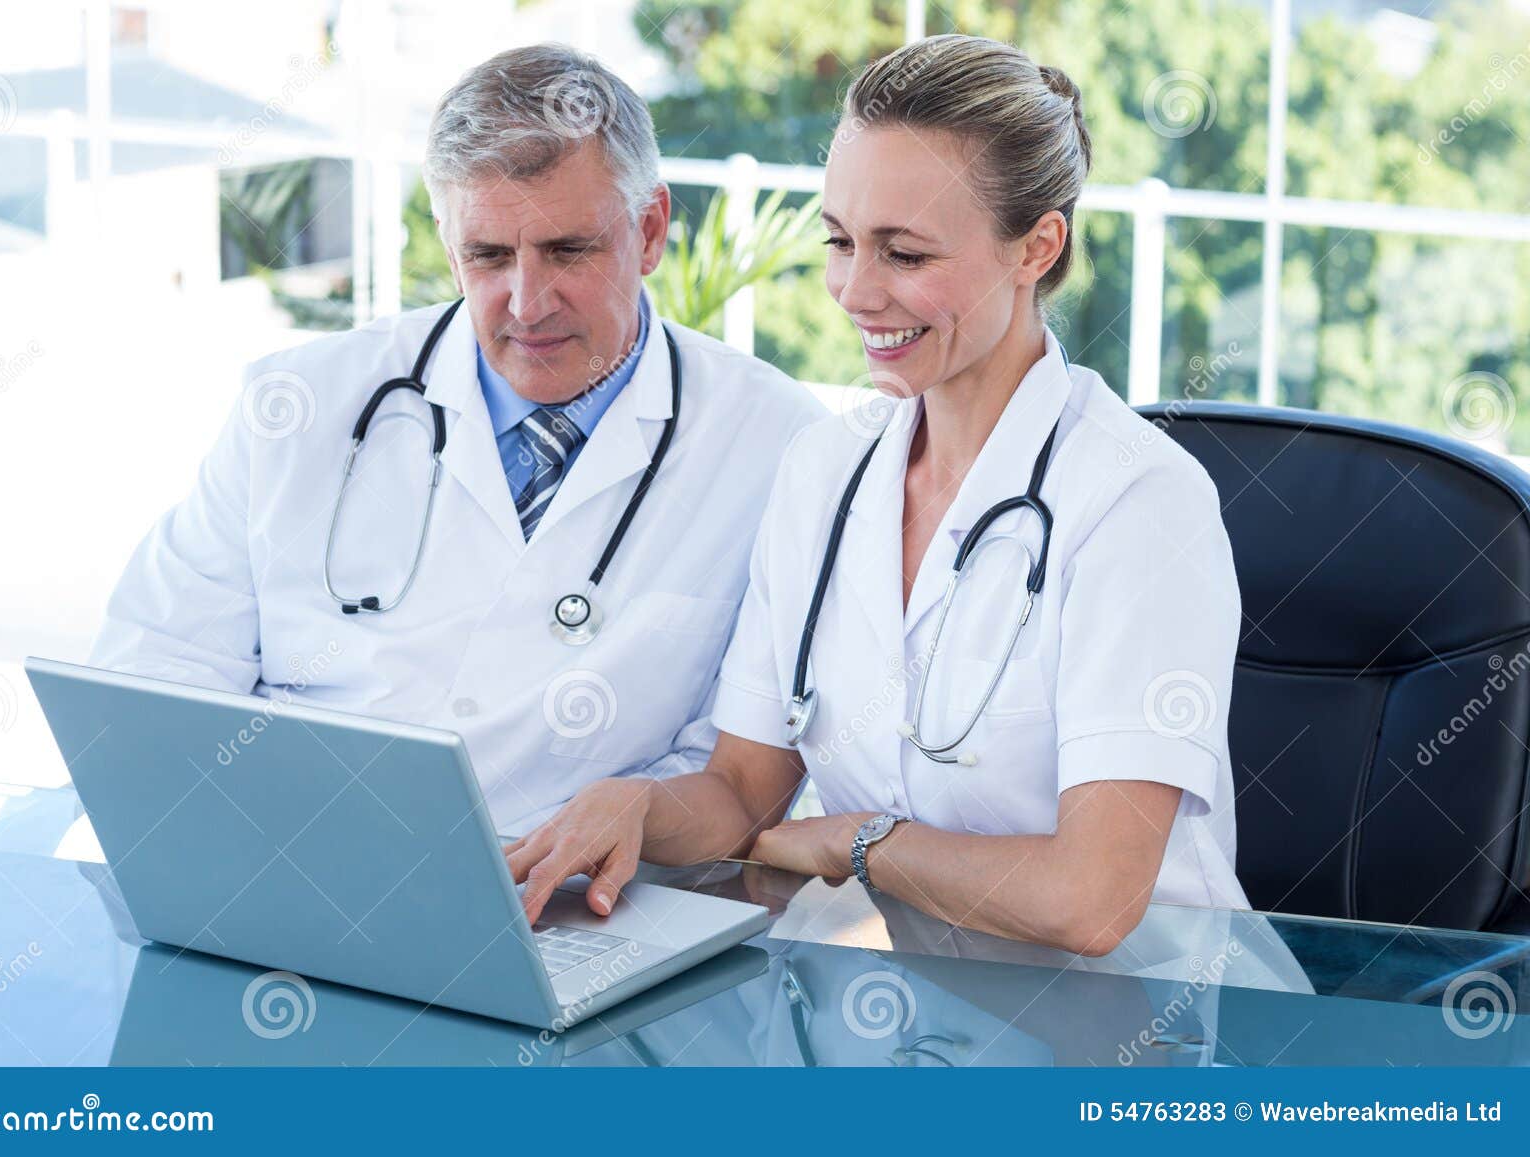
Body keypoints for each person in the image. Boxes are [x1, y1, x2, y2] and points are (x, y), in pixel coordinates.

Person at [509, 35, 1251, 955]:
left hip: (1143, 1012)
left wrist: (860, 841)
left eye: (903, 253)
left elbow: (1089, 900)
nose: (855, 292)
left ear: (1037, 247)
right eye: (840, 241)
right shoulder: (825, 469)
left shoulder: (1138, 501)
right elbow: (743, 789)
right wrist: (634, 806)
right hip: (917, 1005)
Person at [89, 44, 825, 835]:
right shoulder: (296, 405)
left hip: (587, 893)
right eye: (488, 256)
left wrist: (623, 828)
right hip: (293, 852)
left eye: (568, 250)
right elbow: (154, 671)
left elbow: (740, 779)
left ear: (649, 231)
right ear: (449, 245)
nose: (528, 302)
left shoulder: (779, 444)